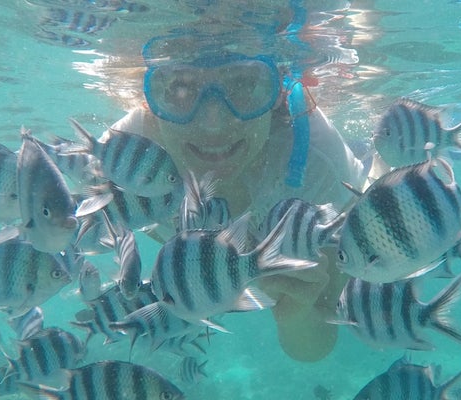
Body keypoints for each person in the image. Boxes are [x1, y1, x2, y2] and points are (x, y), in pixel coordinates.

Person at [100, 25, 369, 361]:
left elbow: (314, 346)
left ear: (277, 94)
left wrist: (296, 311)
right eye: (180, 87)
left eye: (243, 83)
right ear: (151, 103)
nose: (214, 124)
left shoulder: (318, 161)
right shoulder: (130, 151)